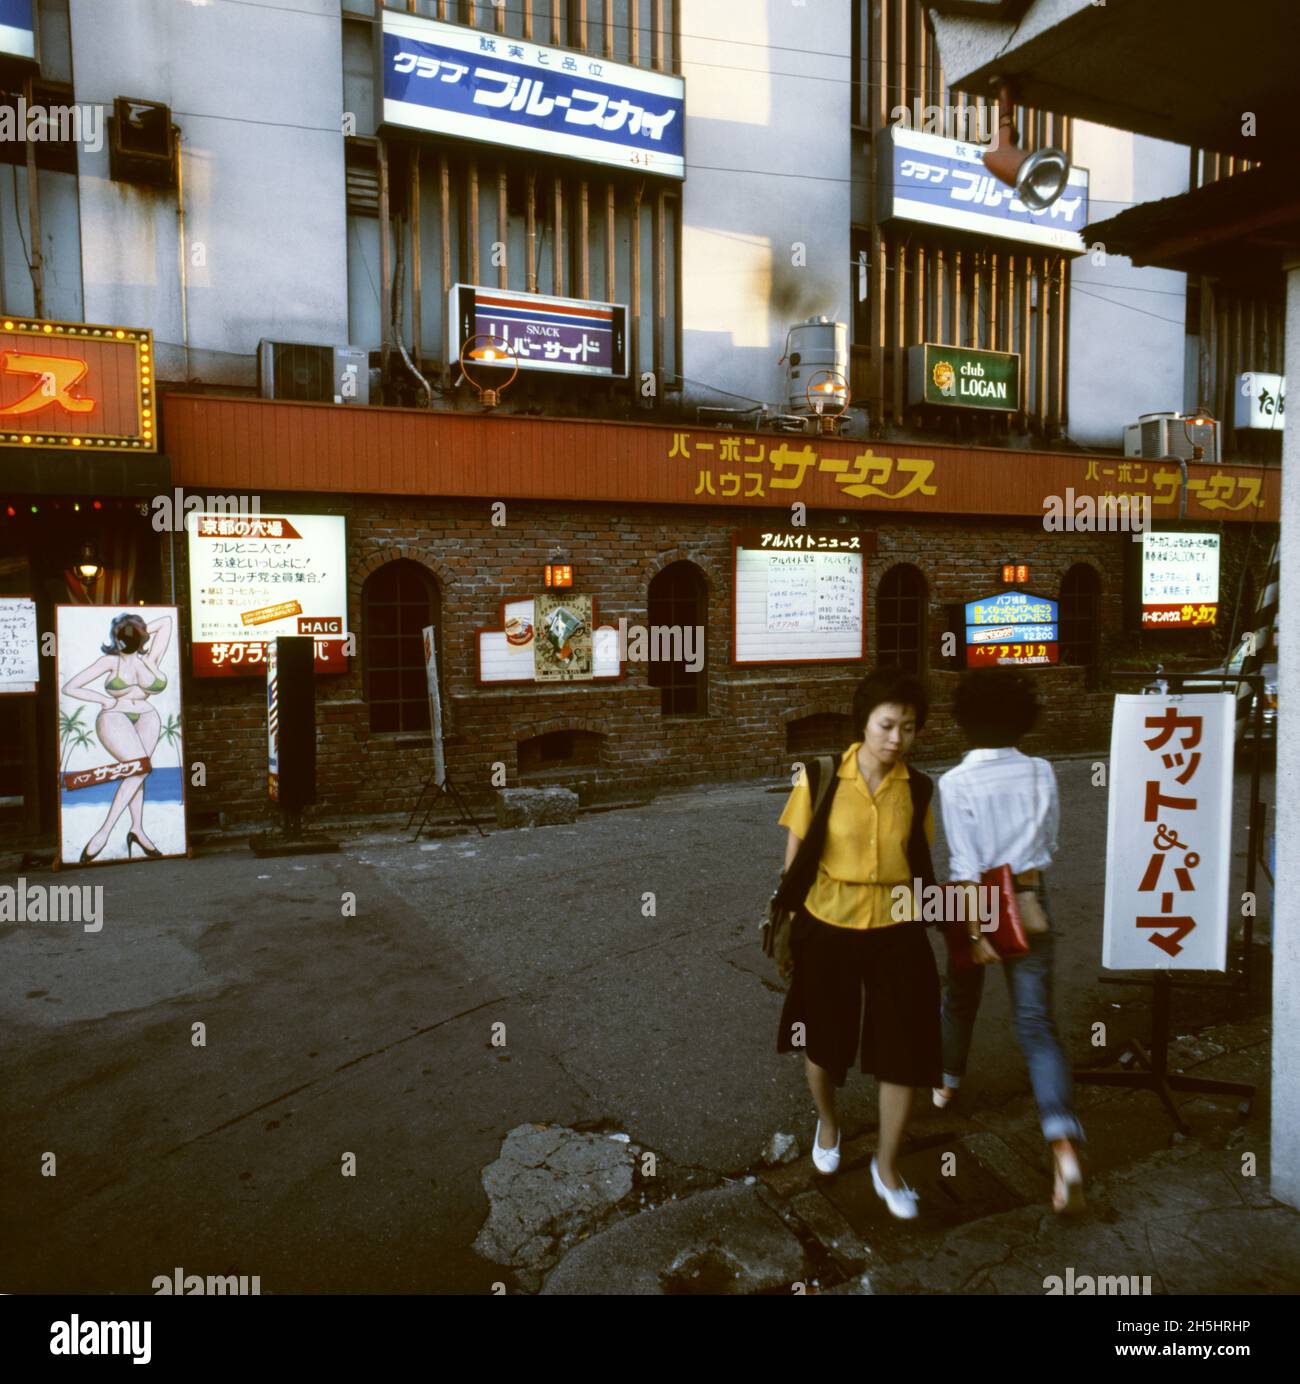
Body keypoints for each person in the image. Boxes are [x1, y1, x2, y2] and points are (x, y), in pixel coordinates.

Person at [775, 669, 941, 1220]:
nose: (897, 738)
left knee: (904, 1050)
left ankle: (887, 1165)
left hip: (898, 927)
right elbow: (794, 859)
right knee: (823, 1043)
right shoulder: (821, 776)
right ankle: (828, 1121)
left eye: (909, 728)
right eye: (887, 725)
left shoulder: (919, 788)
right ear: (864, 724)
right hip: (829, 923)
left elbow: (922, 860)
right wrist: (793, 925)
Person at [933, 666, 1086, 1214]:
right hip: (1028, 900)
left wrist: (975, 931)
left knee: (960, 998)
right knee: (1037, 1024)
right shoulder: (1042, 771)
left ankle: (948, 1084)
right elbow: (1049, 843)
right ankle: (1063, 1144)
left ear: (964, 721)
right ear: (1024, 718)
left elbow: (965, 863)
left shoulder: (955, 782)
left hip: (973, 902)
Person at [62, 612, 173, 862]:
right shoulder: (110, 662)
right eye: (125, 635)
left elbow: (166, 622)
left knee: (138, 772)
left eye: (132, 634)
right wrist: (103, 699)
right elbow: (70, 687)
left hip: (147, 715)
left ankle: (137, 829)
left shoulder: (151, 657)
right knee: (139, 768)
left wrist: (135, 630)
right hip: (115, 716)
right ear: (116, 637)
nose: (127, 639)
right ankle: (104, 831)